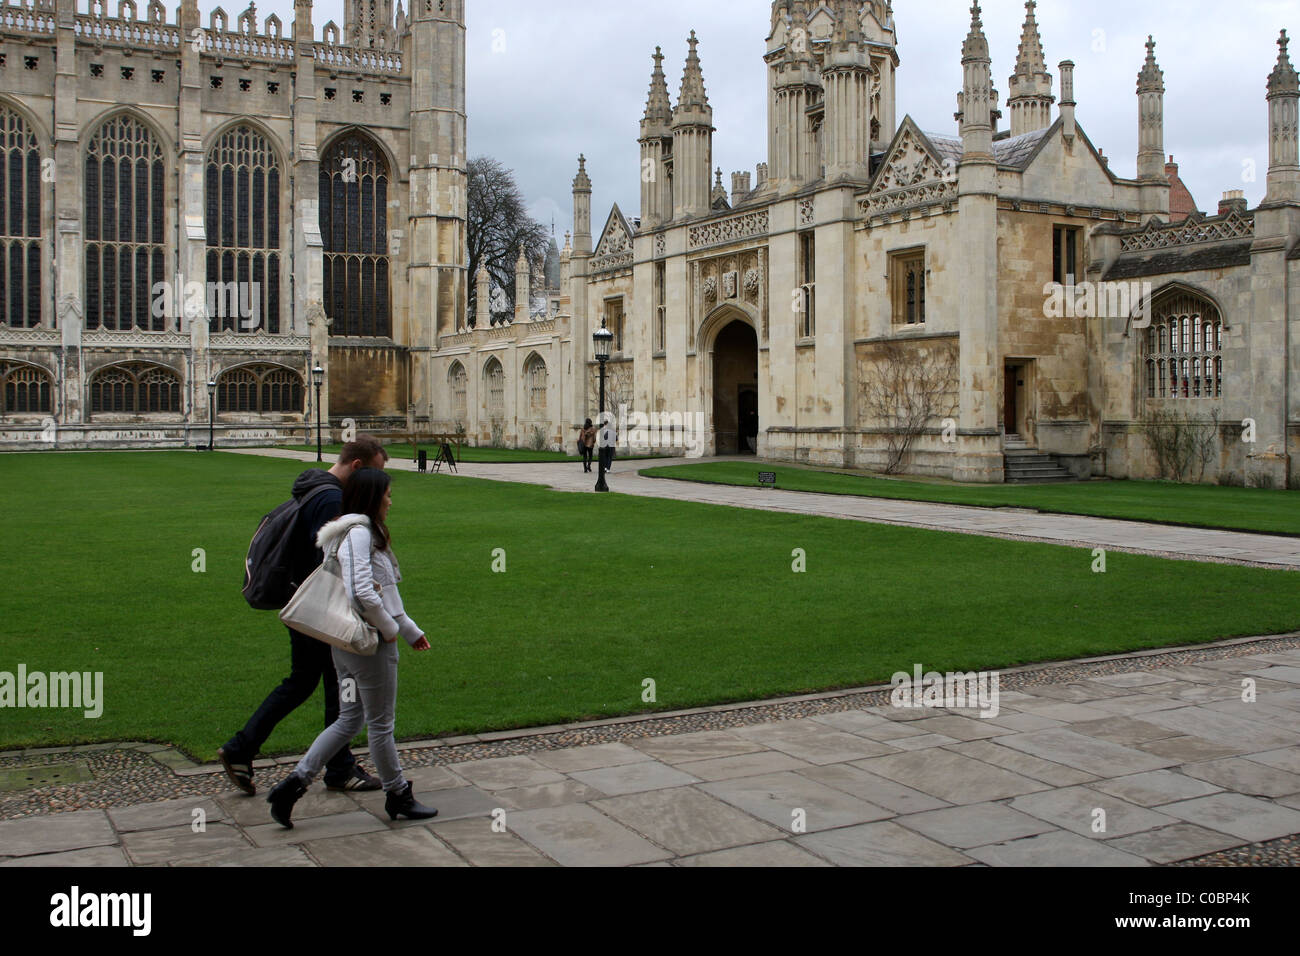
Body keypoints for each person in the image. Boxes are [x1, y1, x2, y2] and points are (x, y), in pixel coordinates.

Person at [218, 437, 390, 796]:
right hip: (320, 608)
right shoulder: (330, 499)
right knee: (337, 686)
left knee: (305, 681)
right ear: (357, 468)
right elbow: (334, 561)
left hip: (303, 600)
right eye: (375, 475)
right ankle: (338, 768)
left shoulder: (314, 486)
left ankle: (242, 749)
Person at [267, 469, 437, 828]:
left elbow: (387, 595)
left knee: (349, 718)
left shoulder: (348, 532)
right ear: (373, 498)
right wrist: (390, 631)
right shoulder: (360, 534)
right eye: (388, 494)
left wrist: (410, 631)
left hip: (344, 645)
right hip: (369, 646)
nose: (392, 501)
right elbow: (363, 591)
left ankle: (294, 784)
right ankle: (397, 795)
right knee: (380, 723)